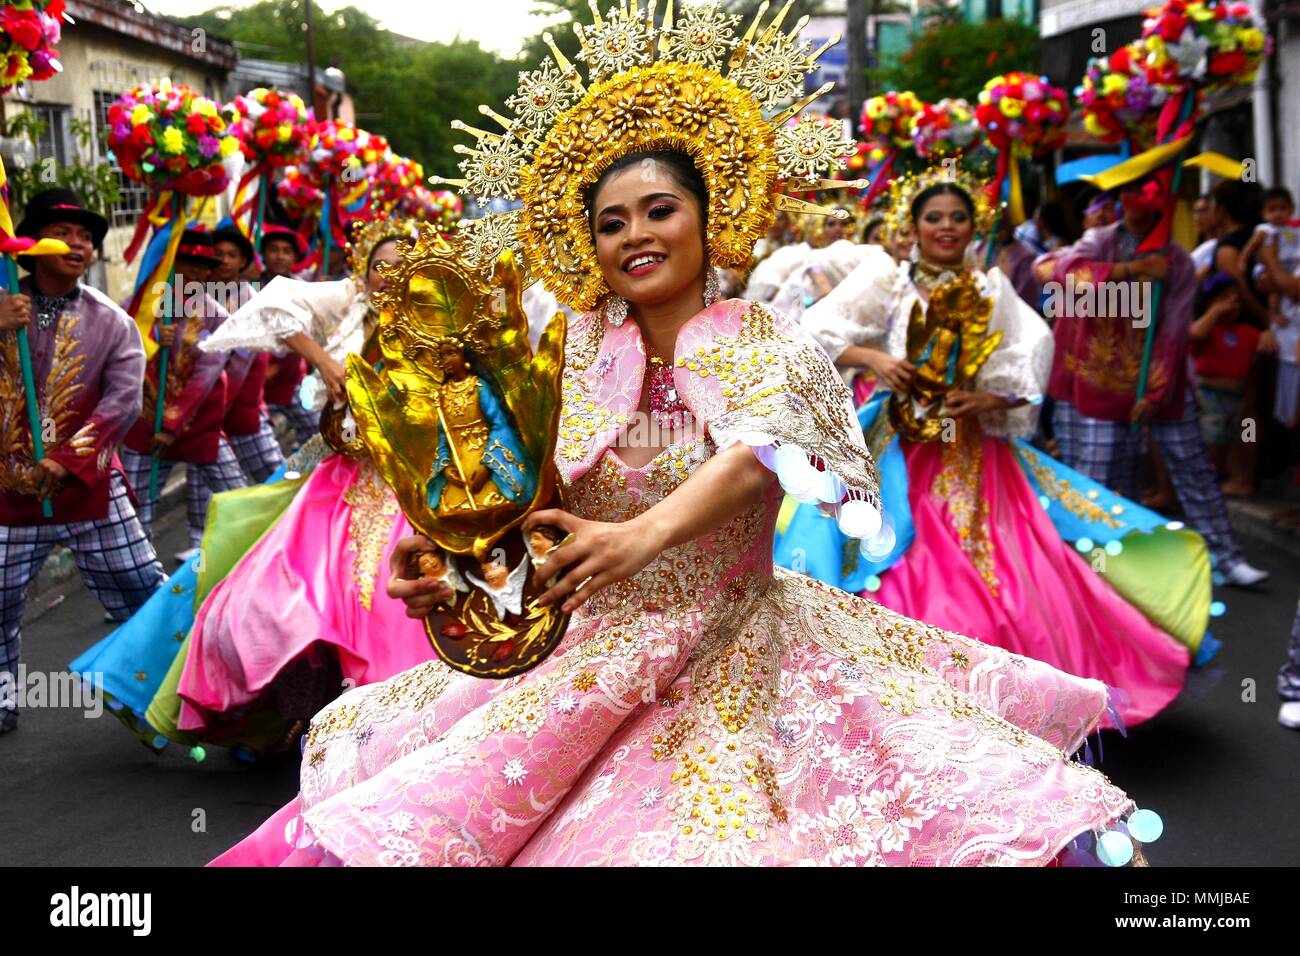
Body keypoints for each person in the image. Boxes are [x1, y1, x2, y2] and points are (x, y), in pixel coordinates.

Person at [217, 11, 1156, 867]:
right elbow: (531, 508)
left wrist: (643, 535)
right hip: (586, 660)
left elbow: (765, 455)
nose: (635, 234)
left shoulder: (764, 338)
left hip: (741, 653)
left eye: (659, 210)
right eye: (610, 221)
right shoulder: (571, 354)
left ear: (709, 220)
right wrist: (457, 571)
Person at [779, 175, 1200, 726]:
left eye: (957, 217)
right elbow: (813, 330)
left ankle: (1013, 702)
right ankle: (904, 710)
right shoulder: (887, 279)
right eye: (935, 218)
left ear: (973, 227)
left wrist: (986, 398)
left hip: (973, 451)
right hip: (898, 443)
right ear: (914, 227)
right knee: (892, 555)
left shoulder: (991, 289)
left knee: (1005, 565)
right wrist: (873, 358)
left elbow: (1031, 356)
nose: (946, 227)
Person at [1046, 174, 1269, 587]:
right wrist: (1132, 269)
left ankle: (1225, 555)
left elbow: (1172, 331)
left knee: (1194, 468)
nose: (1136, 207)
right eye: (1128, 198)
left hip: (1158, 379)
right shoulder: (1097, 242)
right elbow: (1063, 278)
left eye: (1148, 198)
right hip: (1097, 379)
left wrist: (1154, 391)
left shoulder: (1178, 260)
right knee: (1097, 474)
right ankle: (1090, 563)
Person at [0, 189, 163, 735]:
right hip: (8, 496)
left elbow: (123, 401)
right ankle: (3, 697)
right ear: (30, 244)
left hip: (88, 488)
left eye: (87, 238)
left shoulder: (112, 321)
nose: (79, 244)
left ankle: (169, 688)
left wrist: (70, 459)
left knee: (144, 583)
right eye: (65, 233)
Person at [119, 230, 247, 553]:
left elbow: (205, 377)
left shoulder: (218, 317)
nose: (193, 273)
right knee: (135, 516)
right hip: (145, 428)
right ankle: (145, 591)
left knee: (238, 497)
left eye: (202, 267)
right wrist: (147, 338)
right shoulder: (138, 309)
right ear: (169, 264)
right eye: (185, 264)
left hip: (198, 425)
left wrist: (172, 425)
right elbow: (115, 359)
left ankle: (249, 568)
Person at [1189, 273, 1262, 475]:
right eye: (1223, 298)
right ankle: (1210, 478)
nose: (1231, 305)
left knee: (1249, 434)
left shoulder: (1246, 331)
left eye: (1236, 300)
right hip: (1212, 399)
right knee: (1212, 440)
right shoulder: (1206, 331)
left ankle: (1242, 479)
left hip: (1243, 401)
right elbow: (1195, 333)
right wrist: (1216, 311)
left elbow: (1263, 342)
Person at [258, 224, 317, 449]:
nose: (279, 256)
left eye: (286, 251)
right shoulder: (249, 288)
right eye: (274, 250)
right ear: (263, 255)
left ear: (294, 257)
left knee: (319, 433)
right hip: (259, 385)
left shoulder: (305, 290)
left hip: (295, 382)